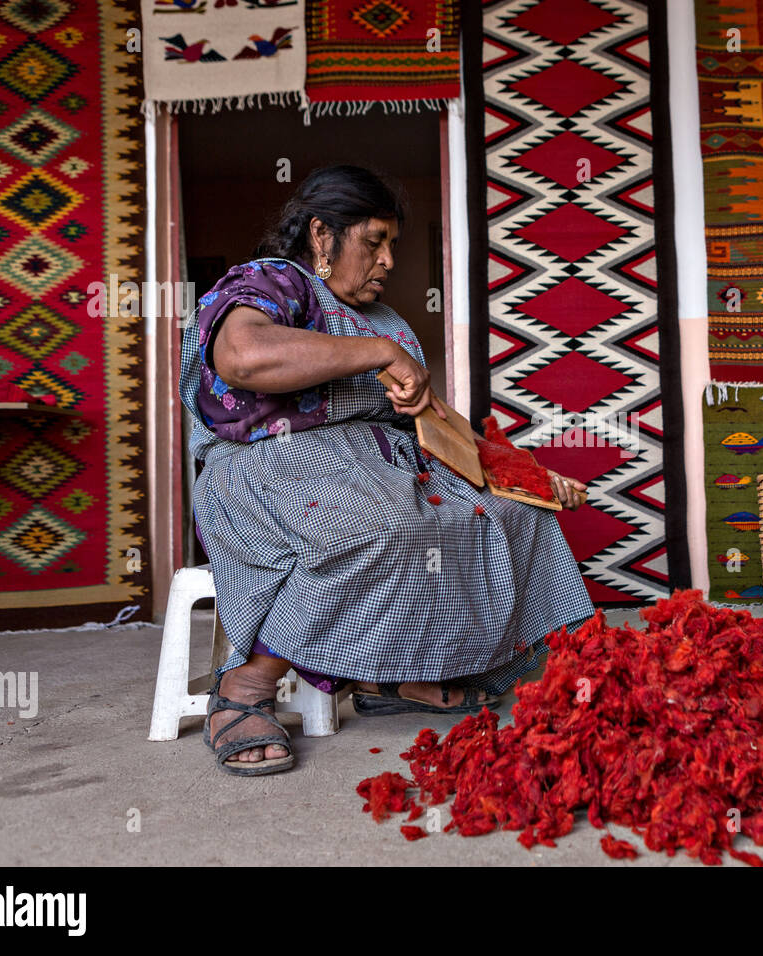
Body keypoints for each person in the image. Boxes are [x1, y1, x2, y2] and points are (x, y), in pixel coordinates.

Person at [178, 165, 595, 776]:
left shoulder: (386, 320)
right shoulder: (273, 283)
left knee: (514, 517)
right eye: (374, 241)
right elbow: (243, 357)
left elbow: (438, 419)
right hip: (268, 470)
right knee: (381, 527)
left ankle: (399, 673)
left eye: (392, 244)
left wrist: (525, 474)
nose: (389, 259)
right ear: (322, 236)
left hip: (378, 465)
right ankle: (245, 686)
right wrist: (379, 353)